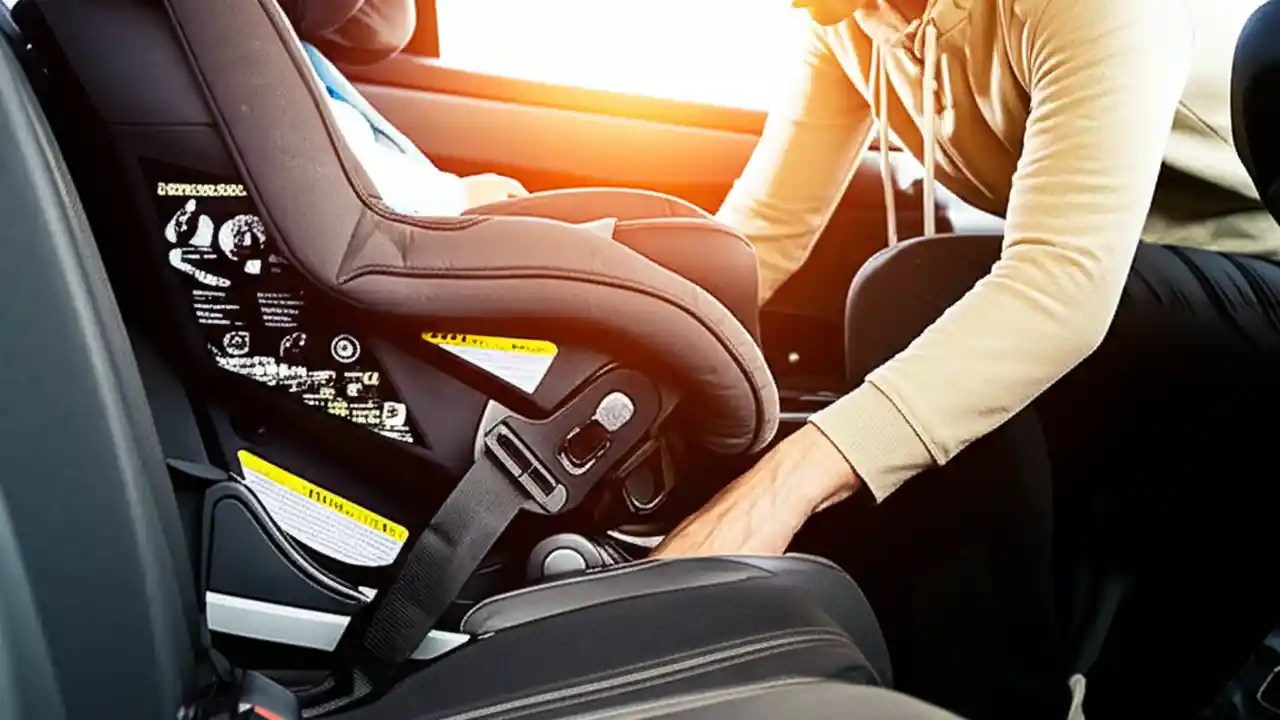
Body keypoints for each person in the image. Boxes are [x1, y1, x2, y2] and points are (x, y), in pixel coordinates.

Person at [653, 0, 1280, 718]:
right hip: (1141, 307)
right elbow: (766, 232)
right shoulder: (847, 21)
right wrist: (598, 327)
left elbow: (1061, 285)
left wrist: (778, 489)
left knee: (916, 291)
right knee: (929, 333)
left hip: (1259, 290)